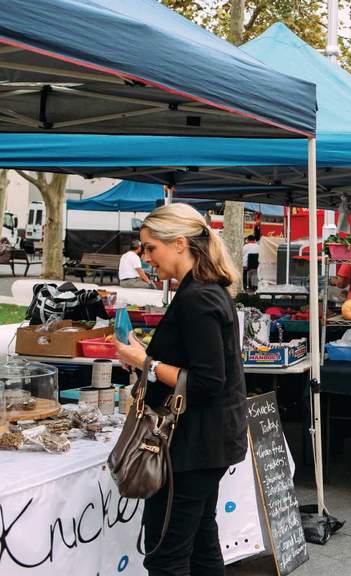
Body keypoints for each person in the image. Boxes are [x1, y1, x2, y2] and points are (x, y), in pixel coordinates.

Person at [114, 203, 246, 575]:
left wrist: (146, 363)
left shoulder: (198, 298)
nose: (146, 257)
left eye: (150, 247)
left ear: (180, 244)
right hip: (207, 441)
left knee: (166, 555)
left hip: (193, 445)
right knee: (201, 541)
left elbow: (207, 380)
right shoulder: (206, 290)